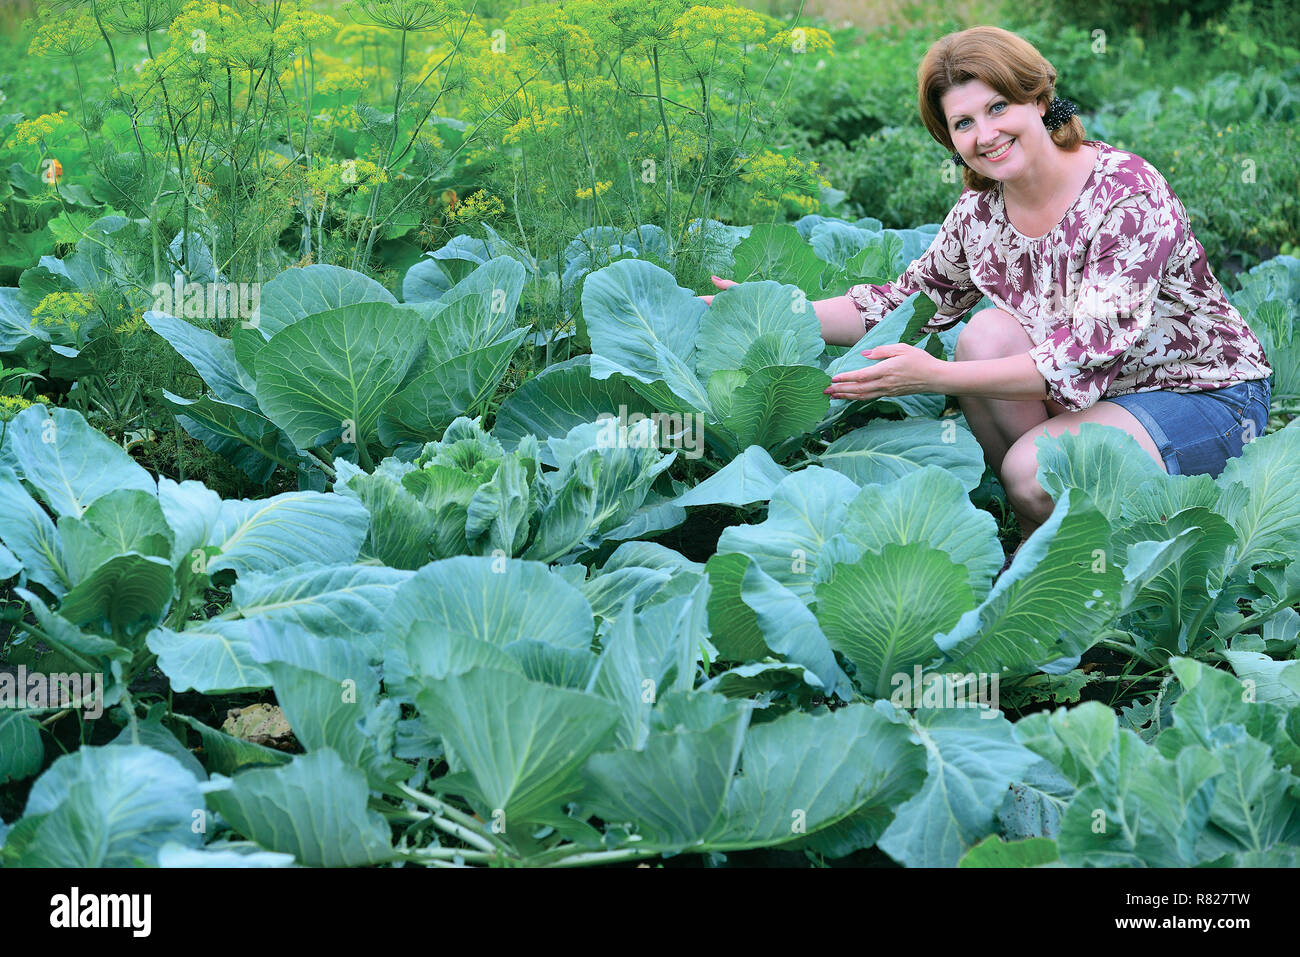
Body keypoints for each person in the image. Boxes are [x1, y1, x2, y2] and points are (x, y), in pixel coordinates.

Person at [700, 25, 1272, 566]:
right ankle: (1041, 537)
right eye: (964, 123)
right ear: (950, 140)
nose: (987, 134)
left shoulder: (1125, 194)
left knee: (1032, 469)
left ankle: (1080, 530)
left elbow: (1083, 355)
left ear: (1039, 100)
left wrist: (933, 377)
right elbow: (903, 302)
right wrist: (774, 307)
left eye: (999, 107)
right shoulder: (981, 215)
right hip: (1095, 396)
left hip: (1201, 396)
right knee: (984, 336)